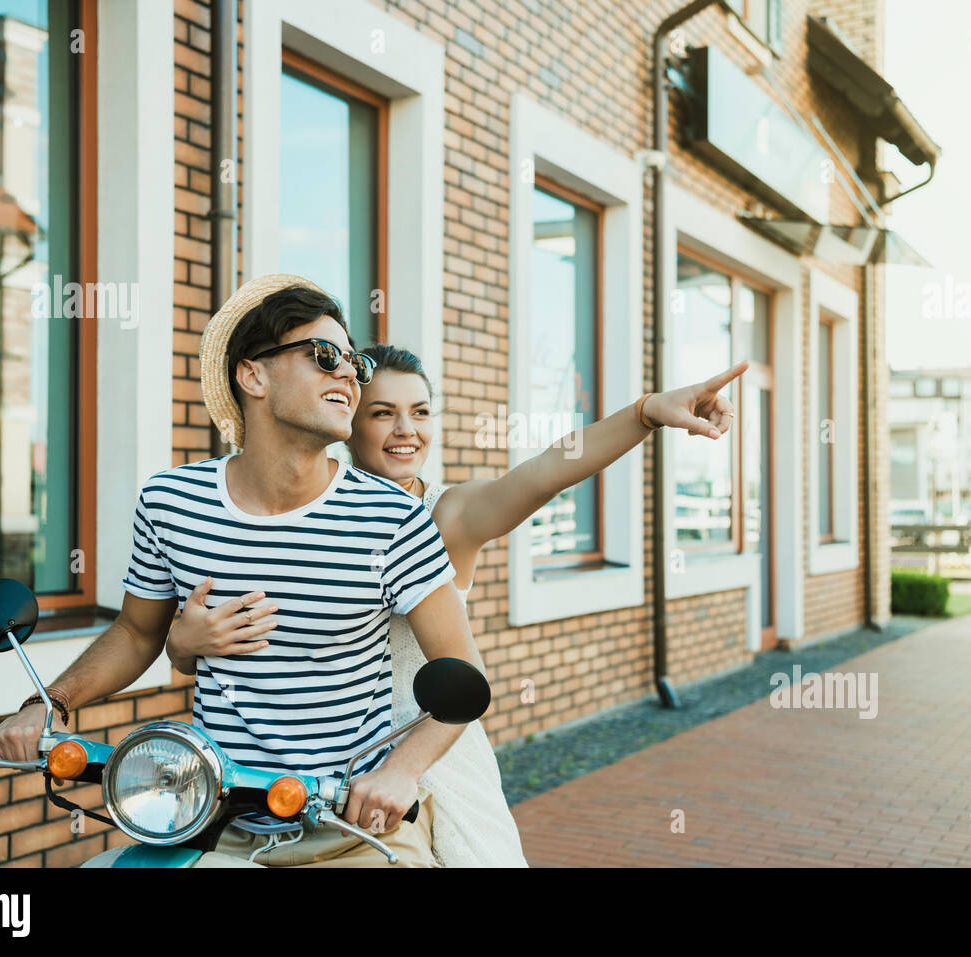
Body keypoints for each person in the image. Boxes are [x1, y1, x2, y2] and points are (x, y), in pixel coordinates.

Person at [168, 283, 746, 866]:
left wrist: (645, 412)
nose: (406, 431)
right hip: (321, 767)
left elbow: (548, 471)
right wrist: (181, 645)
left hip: (429, 745)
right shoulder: (306, 508)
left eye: (420, 413)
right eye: (383, 413)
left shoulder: (447, 514)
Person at [0, 274, 485, 867]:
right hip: (208, 817)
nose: (349, 375)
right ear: (252, 375)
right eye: (325, 356)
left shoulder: (393, 517)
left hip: (352, 825)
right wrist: (48, 703)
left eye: (353, 363)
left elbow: (464, 673)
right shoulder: (171, 501)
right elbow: (135, 632)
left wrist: (401, 771)